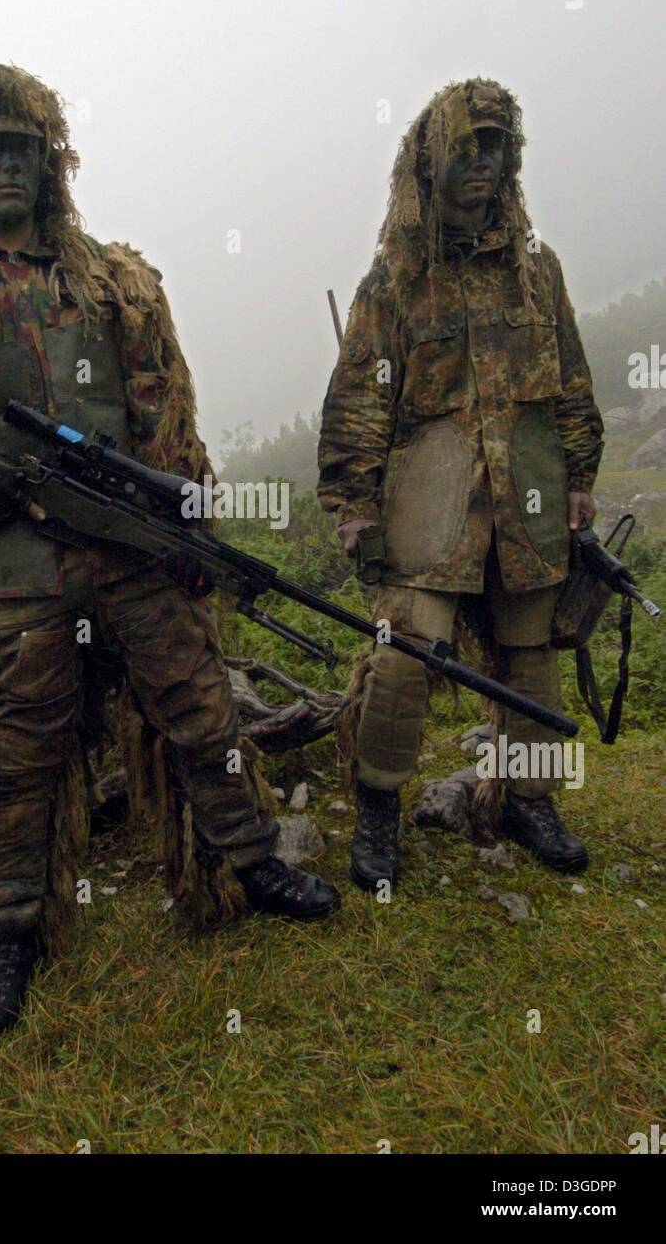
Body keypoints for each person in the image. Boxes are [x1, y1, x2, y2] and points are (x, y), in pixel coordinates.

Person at [0, 58, 339, 1042]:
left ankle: (247, 855)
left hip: (124, 539)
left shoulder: (111, 276)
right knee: (12, 746)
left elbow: (161, 415)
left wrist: (189, 527)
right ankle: (3, 934)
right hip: (0, 559)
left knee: (197, 696)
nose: (10, 166)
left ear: (52, 162)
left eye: (26, 149)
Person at [317, 78, 603, 893]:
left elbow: (572, 385)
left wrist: (578, 479)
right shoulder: (394, 283)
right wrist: (354, 509)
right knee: (403, 655)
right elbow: (356, 409)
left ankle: (529, 800)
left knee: (528, 654)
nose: (481, 162)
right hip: (426, 505)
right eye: (464, 148)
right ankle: (378, 807)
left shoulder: (536, 274)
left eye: (495, 147)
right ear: (427, 165)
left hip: (528, 499)